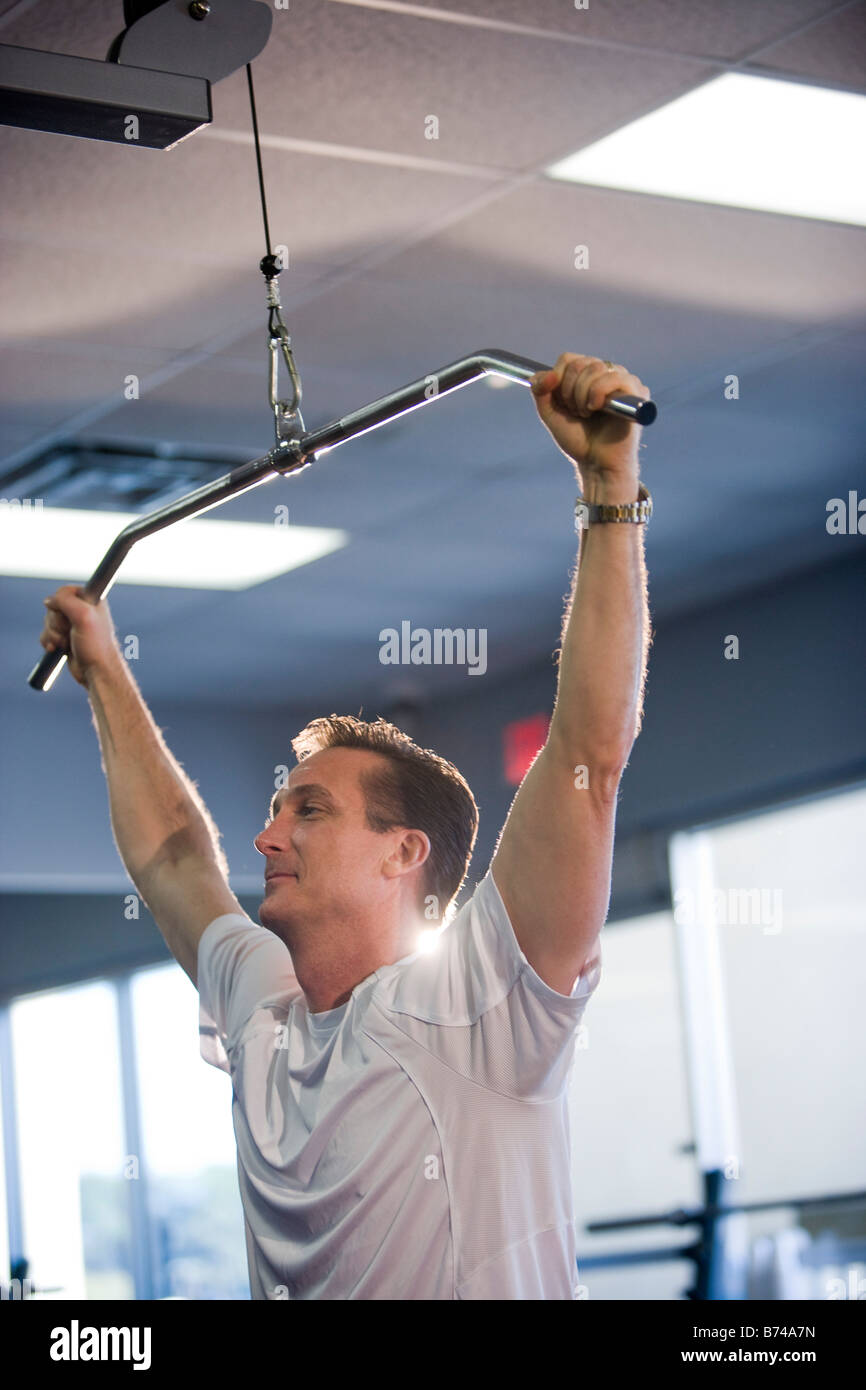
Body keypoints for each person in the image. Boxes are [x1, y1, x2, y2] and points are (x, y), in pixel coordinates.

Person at [39, 352, 652, 1300]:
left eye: (310, 811)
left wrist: (609, 488)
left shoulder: (476, 1007)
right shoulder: (266, 1012)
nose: (266, 840)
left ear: (404, 853)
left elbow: (590, 759)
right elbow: (174, 861)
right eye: (277, 811)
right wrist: (105, 672)